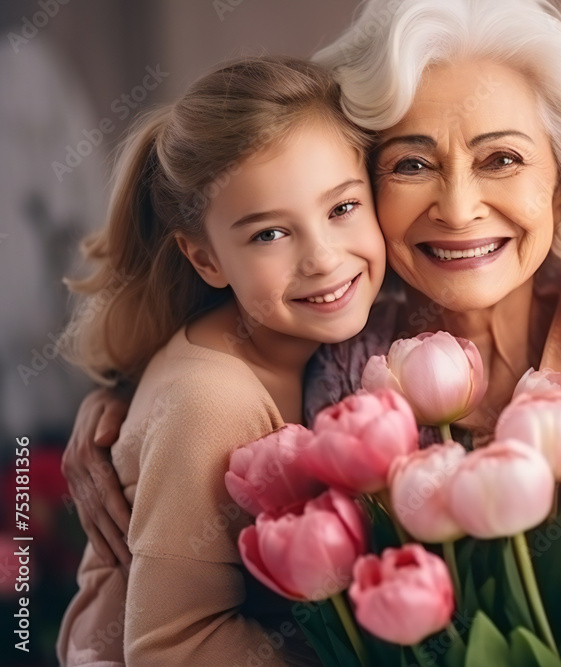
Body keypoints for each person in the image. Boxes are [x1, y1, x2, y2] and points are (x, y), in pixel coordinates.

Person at [59, 0, 561, 652]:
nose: (456, 207)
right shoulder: (336, 355)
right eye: (412, 165)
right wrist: (128, 401)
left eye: (502, 159)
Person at [56, 56, 385, 665]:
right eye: (269, 234)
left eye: (341, 209)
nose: (322, 257)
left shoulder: (316, 336)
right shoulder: (213, 401)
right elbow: (170, 647)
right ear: (205, 260)